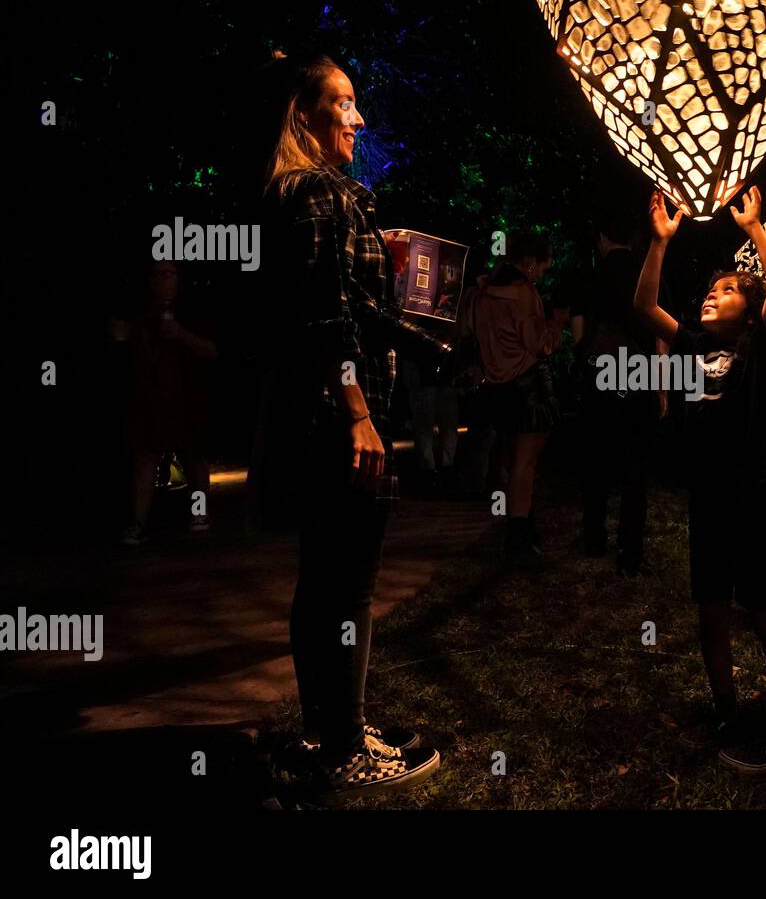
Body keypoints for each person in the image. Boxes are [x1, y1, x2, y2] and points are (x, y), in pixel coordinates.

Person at [256, 51, 443, 802]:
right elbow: (324, 320)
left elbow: (350, 305)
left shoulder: (304, 194)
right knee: (350, 583)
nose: (359, 120)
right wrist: (360, 415)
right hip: (339, 421)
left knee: (323, 578)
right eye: (344, 104)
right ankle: (343, 747)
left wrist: (421, 324)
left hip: (324, 416)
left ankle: (329, 726)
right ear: (305, 114)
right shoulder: (315, 194)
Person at [634, 186, 766, 775]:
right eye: (711, 289)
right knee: (711, 608)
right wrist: (658, 243)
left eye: (728, 291)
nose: (713, 295)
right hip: (706, 497)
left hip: (749, 494)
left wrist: (754, 227)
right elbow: (645, 308)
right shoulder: (696, 345)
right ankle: (725, 708)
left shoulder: (760, 343)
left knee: (763, 611)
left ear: (750, 311)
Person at [571, 208, 667, 576]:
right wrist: (662, 388)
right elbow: (662, 333)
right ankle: (630, 549)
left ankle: (594, 537)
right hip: (639, 373)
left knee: (595, 460)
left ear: (602, 238)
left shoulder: (589, 277)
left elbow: (579, 335)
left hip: (599, 374)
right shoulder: (649, 273)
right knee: (634, 466)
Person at [471, 233, 567, 562]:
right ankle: (519, 537)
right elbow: (537, 344)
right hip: (528, 387)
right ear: (530, 261)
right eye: (542, 266)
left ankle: (522, 527)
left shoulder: (482, 292)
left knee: (513, 463)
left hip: (498, 386)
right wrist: (557, 324)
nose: (542, 273)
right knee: (525, 465)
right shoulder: (524, 294)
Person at [114, 259, 217, 544]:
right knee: (145, 458)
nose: (161, 280)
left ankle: (199, 512)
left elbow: (213, 349)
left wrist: (182, 335)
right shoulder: (141, 316)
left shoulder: (191, 313)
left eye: (168, 274)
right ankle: (138, 523)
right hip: (151, 401)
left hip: (186, 399)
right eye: (156, 275)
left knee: (194, 456)